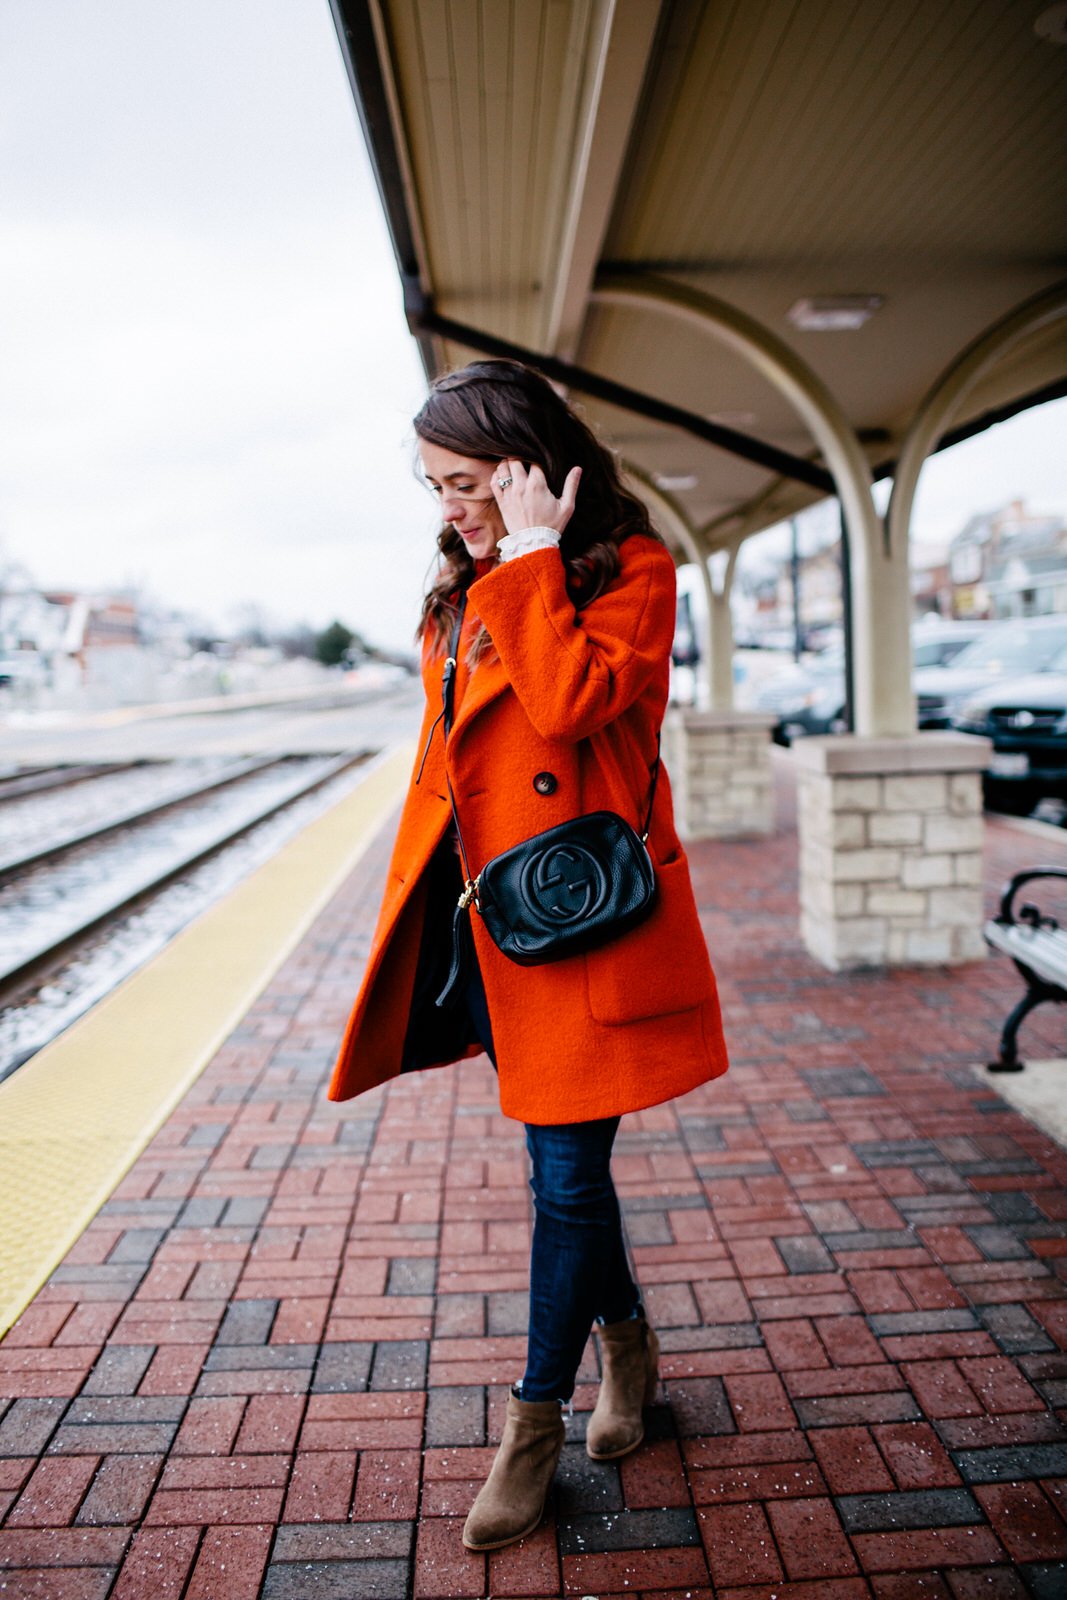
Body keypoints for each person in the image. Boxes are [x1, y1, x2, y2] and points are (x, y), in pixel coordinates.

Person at [328, 358, 729, 1552]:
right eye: (434, 484)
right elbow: (443, 758)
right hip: (492, 927)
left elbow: (564, 707)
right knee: (569, 1176)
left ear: (527, 469)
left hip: (582, 925)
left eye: (464, 482)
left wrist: (534, 553)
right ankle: (630, 1348)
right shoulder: (458, 586)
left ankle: (532, 1425)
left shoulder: (629, 572)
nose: (447, 506)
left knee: (561, 1178)